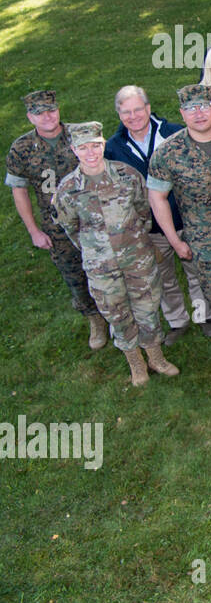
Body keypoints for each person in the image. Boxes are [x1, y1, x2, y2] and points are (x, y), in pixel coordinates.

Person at [55, 122, 180, 387]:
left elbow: (143, 211)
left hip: (138, 259)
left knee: (147, 307)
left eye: (96, 145)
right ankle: (135, 362)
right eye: (83, 148)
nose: (91, 152)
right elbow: (71, 229)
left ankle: (155, 357)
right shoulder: (67, 190)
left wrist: (133, 241)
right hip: (102, 268)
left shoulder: (128, 175)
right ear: (74, 150)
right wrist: (97, 250)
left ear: (103, 145)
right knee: (116, 313)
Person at [147, 85, 211, 377]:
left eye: (204, 106)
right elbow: (157, 198)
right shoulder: (169, 151)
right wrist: (174, 240)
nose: (199, 113)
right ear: (182, 114)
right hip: (205, 241)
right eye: (191, 109)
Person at [7, 90, 105, 348]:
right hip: (57, 225)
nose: (47, 116)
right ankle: (94, 318)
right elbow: (19, 191)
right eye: (39, 113)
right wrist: (33, 231)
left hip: (94, 217)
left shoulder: (81, 134)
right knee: (74, 273)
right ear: (30, 117)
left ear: (58, 109)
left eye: (51, 110)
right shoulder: (21, 148)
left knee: (108, 267)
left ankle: (118, 314)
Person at [104, 85, 192, 344]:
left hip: (185, 217)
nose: (133, 116)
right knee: (163, 276)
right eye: (126, 112)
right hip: (149, 227)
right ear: (119, 115)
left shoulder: (175, 133)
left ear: (148, 108)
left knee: (196, 272)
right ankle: (177, 320)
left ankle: (204, 315)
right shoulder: (113, 147)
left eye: (137, 110)